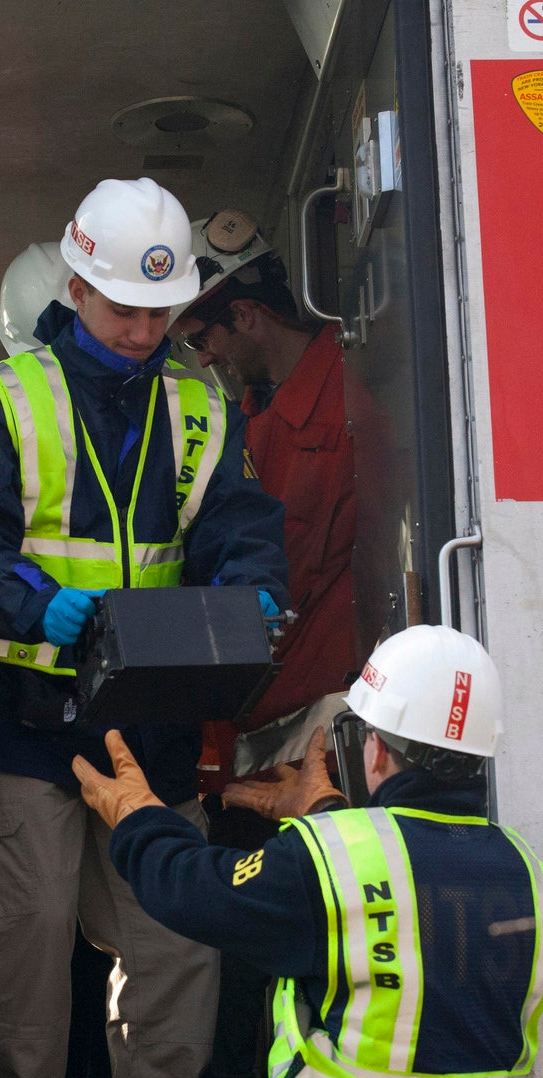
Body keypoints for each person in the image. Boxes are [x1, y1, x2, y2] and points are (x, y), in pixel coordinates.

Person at [0, 177, 290, 1078]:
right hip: (21, 723)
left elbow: (237, 523)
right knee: (27, 941)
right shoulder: (4, 400)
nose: (142, 329)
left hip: (151, 721)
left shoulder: (201, 406)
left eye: (159, 309)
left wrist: (250, 590)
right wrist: (33, 605)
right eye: (123, 307)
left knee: (176, 941)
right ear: (77, 286)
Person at [69, 625, 543, 1078]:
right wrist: (318, 808)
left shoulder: (332, 859)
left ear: (374, 750)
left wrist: (138, 816)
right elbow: (414, 898)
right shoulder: (531, 876)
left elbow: (197, 892)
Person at [176, 209, 358, 740]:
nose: (204, 359)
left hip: (320, 708)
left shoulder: (350, 399)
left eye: (198, 339)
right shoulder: (255, 421)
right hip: (270, 709)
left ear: (246, 314)